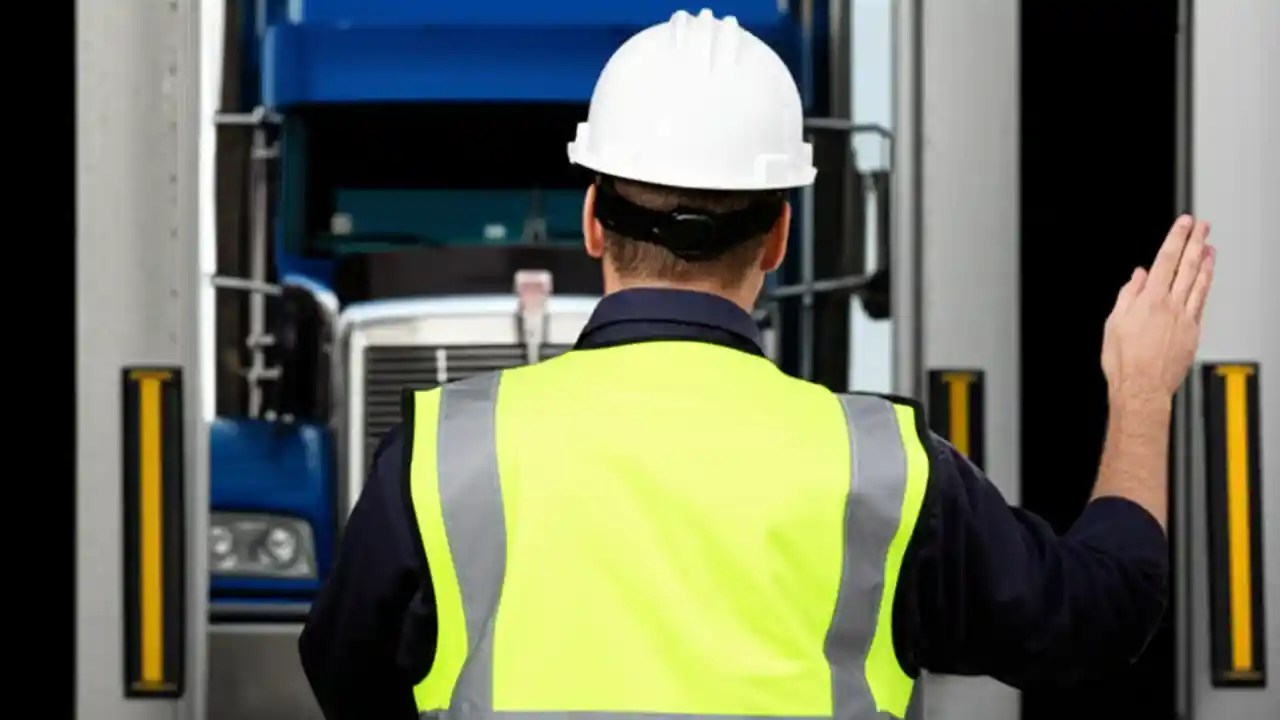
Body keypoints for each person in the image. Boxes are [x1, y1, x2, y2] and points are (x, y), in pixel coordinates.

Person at [298, 9, 1216, 719]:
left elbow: (345, 680)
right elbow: (1101, 615)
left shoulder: (441, 450)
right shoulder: (883, 466)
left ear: (590, 221)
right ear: (779, 234)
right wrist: (1142, 392)